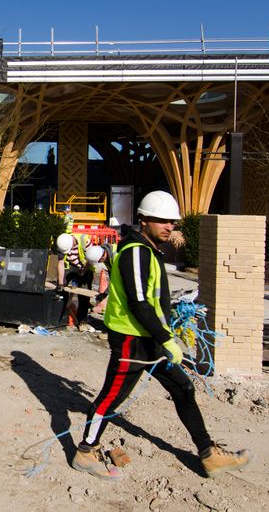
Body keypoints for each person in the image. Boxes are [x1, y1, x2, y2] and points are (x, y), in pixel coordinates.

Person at [72, 190, 251, 480]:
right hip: (132, 340)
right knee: (110, 398)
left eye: (173, 222)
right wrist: (167, 339)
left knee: (183, 388)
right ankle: (85, 450)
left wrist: (166, 330)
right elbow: (139, 303)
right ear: (144, 221)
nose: (170, 227)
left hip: (151, 338)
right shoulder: (136, 252)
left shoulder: (150, 251)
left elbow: (153, 300)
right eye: (163, 221)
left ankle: (207, 453)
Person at [56, 233, 109, 329]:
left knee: (83, 294)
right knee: (61, 290)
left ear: (72, 242)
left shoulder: (84, 241)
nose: (68, 253)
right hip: (70, 266)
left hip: (85, 267)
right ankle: (62, 316)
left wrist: (82, 272)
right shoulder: (62, 243)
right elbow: (60, 263)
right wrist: (60, 283)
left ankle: (82, 320)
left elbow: (90, 259)